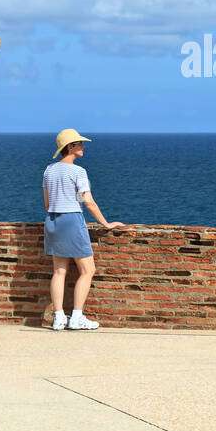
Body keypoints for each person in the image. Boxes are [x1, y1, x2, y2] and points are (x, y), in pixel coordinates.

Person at [43, 128, 125, 330]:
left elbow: (47, 203)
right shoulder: (79, 172)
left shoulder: (48, 170)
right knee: (88, 270)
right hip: (72, 220)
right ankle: (77, 317)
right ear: (70, 147)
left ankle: (59, 317)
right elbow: (88, 201)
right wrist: (105, 223)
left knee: (59, 272)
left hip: (52, 220)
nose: (83, 146)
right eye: (79, 143)